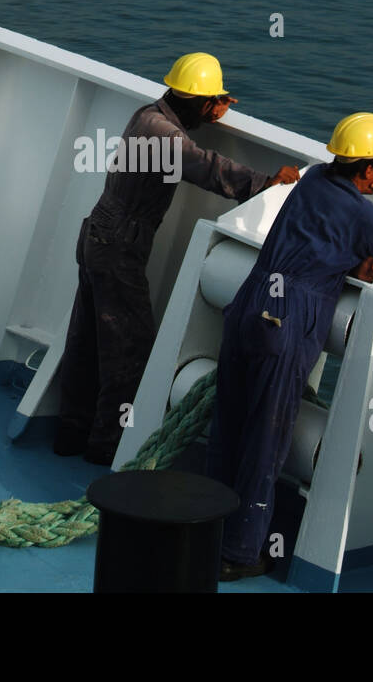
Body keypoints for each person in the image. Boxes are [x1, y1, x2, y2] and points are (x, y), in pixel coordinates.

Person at [55, 53, 302, 465]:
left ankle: (70, 433)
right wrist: (265, 182)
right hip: (119, 241)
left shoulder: (147, 115)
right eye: (213, 103)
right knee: (129, 349)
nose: (216, 111)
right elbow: (204, 165)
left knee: (89, 340)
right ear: (200, 102)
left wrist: (210, 106)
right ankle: (106, 447)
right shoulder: (162, 134)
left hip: (102, 230)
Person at [205, 111, 373, 580]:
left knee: (228, 424)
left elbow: (322, 238)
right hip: (287, 319)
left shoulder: (315, 178)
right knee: (266, 440)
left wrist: (348, 262)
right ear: (368, 168)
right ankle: (239, 554)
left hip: (249, 302)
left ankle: (204, 531)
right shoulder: (364, 212)